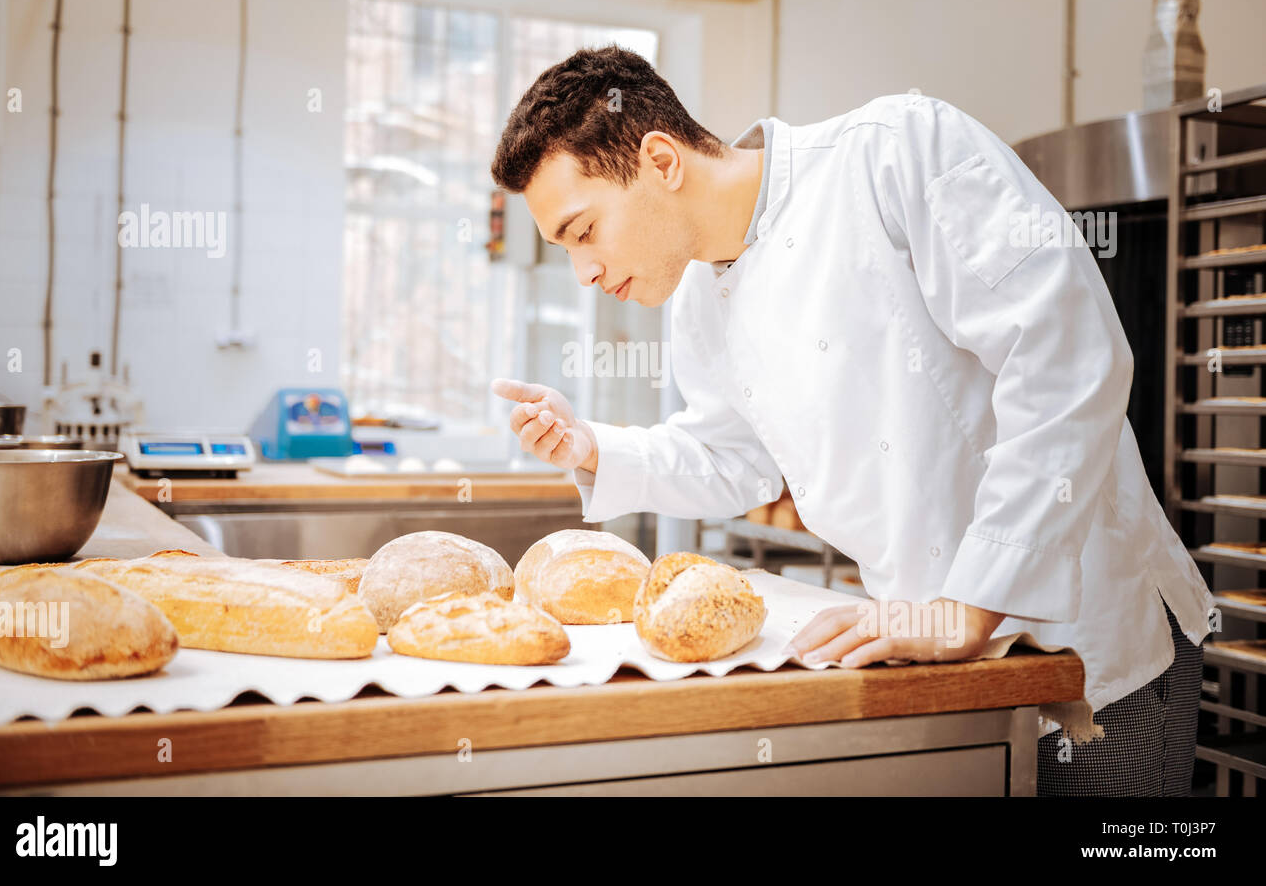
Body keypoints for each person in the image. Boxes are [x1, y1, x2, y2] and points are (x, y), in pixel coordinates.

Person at [488, 45, 1214, 795]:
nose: (586, 273)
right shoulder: (701, 299)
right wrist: (593, 447)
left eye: (583, 233)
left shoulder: (897, 153)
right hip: (931, 655)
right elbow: (735, 458)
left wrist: (972, 603)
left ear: (661, 160)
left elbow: (1068, 360)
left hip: (1092, 650)